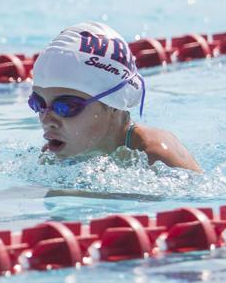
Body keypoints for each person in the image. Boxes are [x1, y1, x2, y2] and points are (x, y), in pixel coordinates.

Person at [29, 21, 201, 172]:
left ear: (113, 104)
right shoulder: (59, 154)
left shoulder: (156, 157)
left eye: (65, 107)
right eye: (38, 104)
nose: (46, 120)